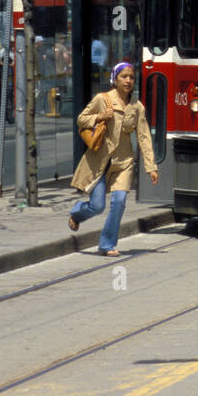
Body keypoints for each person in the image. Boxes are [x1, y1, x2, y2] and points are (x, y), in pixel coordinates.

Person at [67, 61, 159, 257]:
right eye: (123, 77)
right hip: (99, 161)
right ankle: (77, 213)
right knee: (97, 206)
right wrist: (100, 117)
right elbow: (81, 119)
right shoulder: (103, 99)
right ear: (114, 79)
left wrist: (151, 167)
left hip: (123, 162)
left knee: (120, 200)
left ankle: (107, 244)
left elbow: (143, 136)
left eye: (131, 77)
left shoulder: (137, 107)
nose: (128, 80)